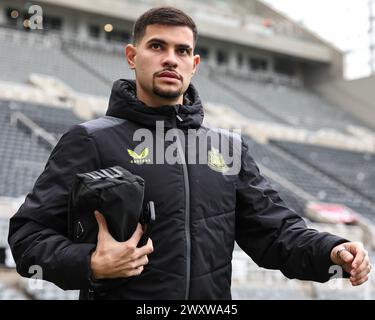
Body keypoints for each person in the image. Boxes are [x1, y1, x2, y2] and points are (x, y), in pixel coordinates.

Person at [8, 6, 371, 300]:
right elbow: (28, 238)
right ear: (132, 56)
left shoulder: (227, 147)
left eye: (182, 50)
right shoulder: (90, 140)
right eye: (157, 47)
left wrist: (331, 251)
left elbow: (275, 233)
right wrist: (90, 262)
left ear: (193, 65)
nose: (171, 59)